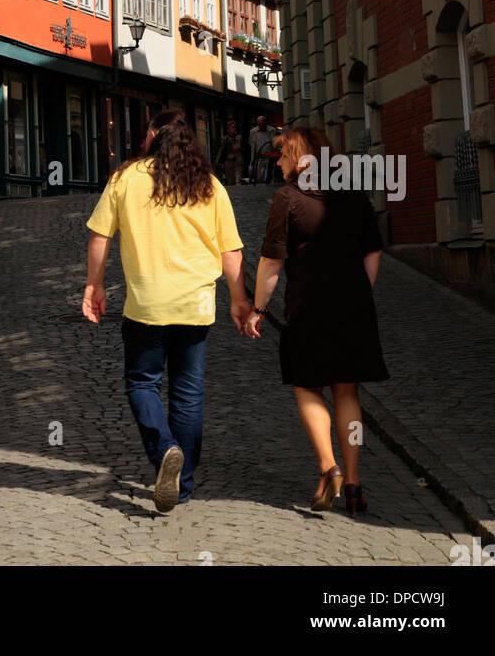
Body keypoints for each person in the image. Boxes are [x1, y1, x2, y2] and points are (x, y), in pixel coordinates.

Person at [82, 110, 250, 513]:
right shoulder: (209, 185)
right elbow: (231, 251)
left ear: (153, 135)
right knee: (188, 393)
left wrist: (95, 284)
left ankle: (165, 449)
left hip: (147, 304)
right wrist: (240, 301)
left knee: (142, 383)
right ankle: (184, 483)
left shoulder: (125, 178)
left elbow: (100, 235)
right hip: (196, 304)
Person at [243, 126, 388, 515]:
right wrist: (361, 290)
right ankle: (355, 482)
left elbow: (272, 262)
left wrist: (258, 309)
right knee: (347, 393)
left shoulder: (287, 199)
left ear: (300, 157)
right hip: (353, 309)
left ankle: (329, 467)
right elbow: (373, 250)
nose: (281, 164)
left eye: (284, 157)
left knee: (308, 386)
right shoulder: (354, 195)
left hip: (307, 307)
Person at [249, 114, 277, 184]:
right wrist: (252, 159)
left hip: (269, 156)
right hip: (259, 156)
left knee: (270, 175)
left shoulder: (272, 130)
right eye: (259, 124)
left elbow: (275, 144)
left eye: (262, 123)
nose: (261, 125)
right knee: (259, 176)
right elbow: (252, 145)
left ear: (266, 123)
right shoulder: (253, 132)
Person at [216, 119, 242, 186]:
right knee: (230, 180)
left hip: (238, 160)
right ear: (228, 129)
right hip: (229, 161)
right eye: (232, 127)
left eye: (235, 127)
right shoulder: (225, 139)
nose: (234, 129)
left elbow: (240, 147)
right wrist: (220, 162)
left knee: (238, 180)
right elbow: (221, 150)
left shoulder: (239, 137)